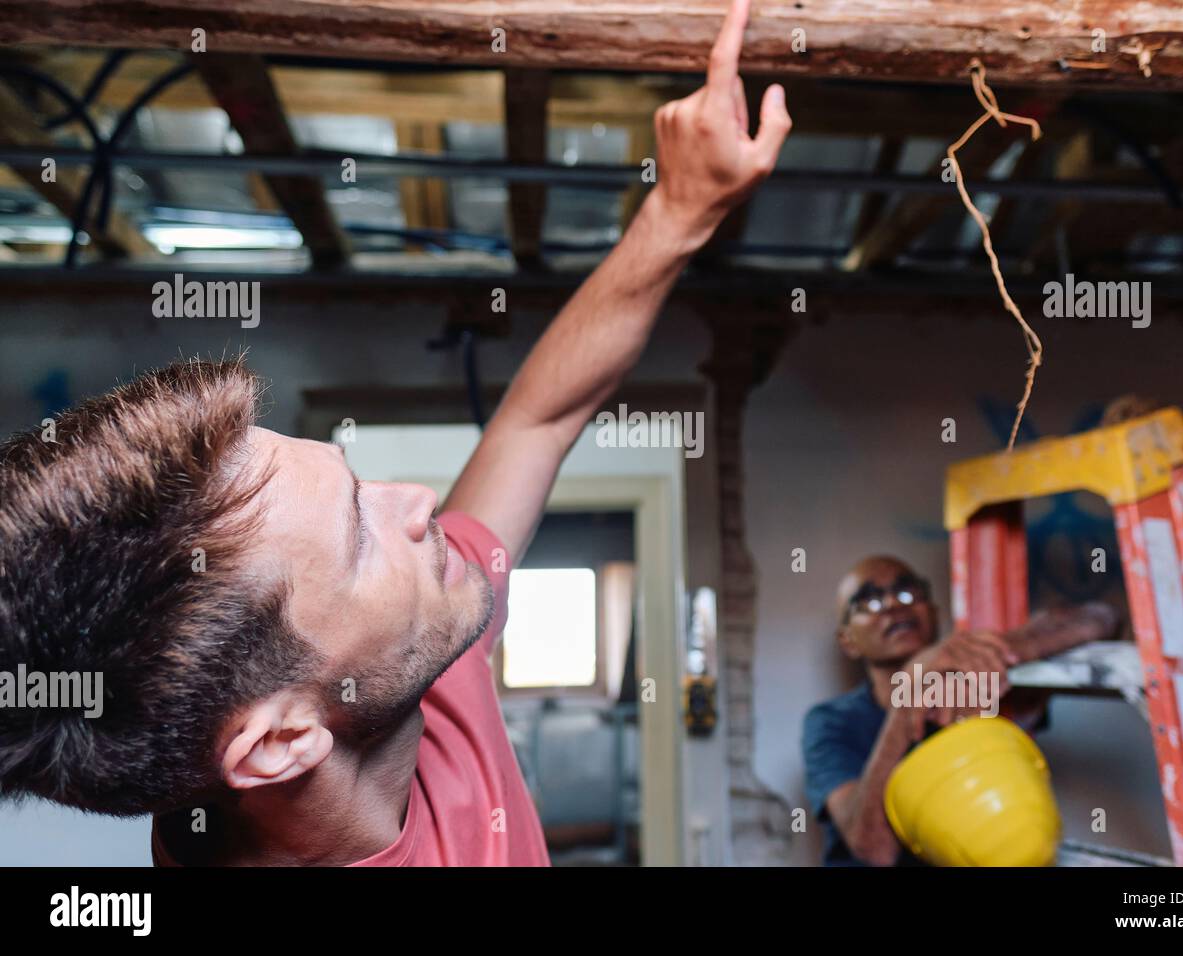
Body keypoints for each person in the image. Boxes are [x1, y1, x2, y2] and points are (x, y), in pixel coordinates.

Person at [0, 0, 791, 866]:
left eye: (360, 488)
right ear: (277, 744)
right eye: (356, 536)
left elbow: (536, 419)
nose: (418, 503)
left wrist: (679, 210)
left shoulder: (400, 673)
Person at [801, 556, 1119, 867]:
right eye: (869, 602)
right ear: (848, 642)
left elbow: (1103, 618)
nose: (895, 606)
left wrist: (1011, 648)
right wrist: (910, 693)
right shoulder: (830, 722)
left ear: (935, 613)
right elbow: (874, 850)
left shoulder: (987, 686)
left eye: (907, 593)